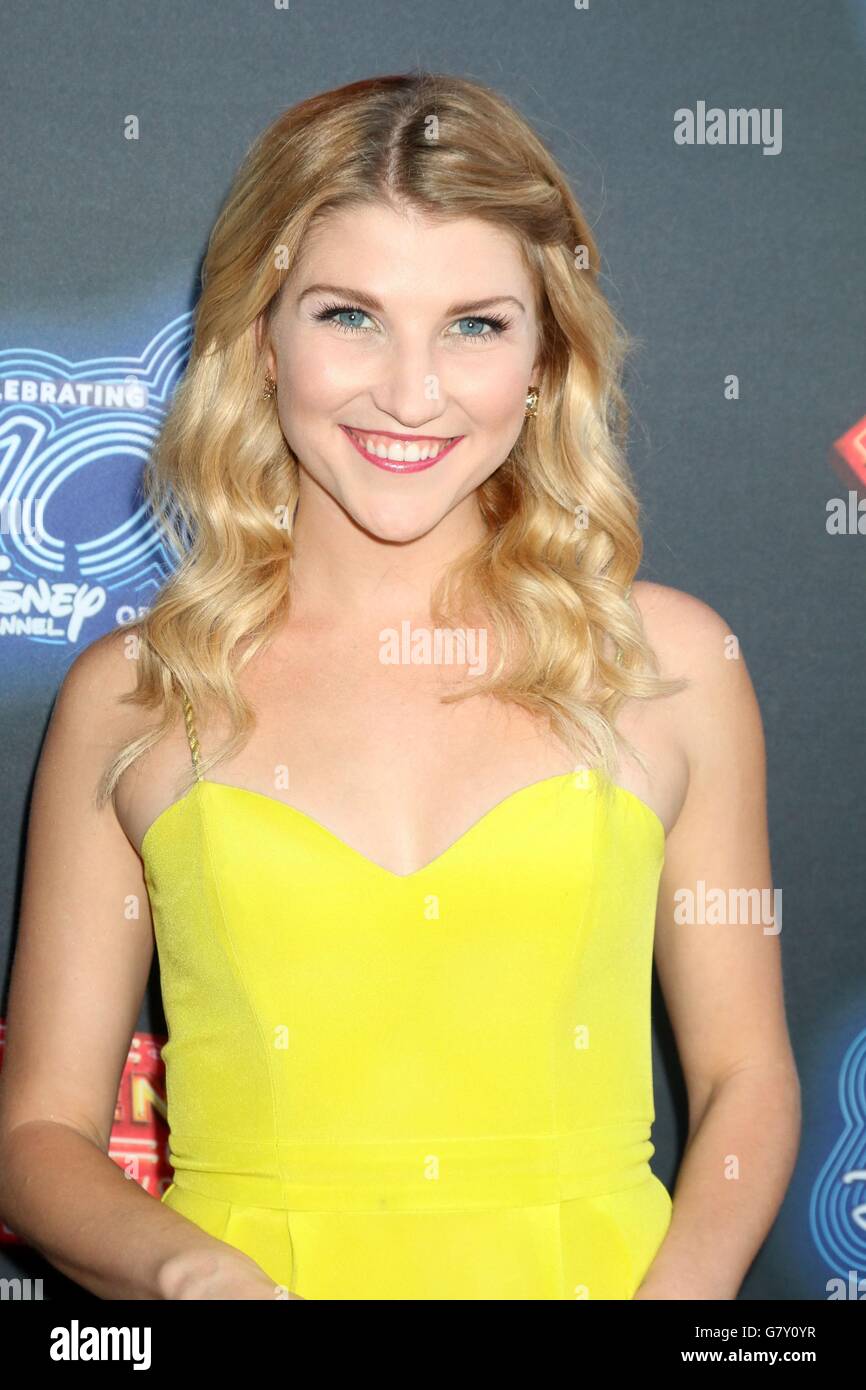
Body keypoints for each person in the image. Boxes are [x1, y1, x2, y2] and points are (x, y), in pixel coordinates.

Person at [0, 71, 800, 1301]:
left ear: (545, 357)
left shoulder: (668, 666)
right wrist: (183, 1272)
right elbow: (38, 1139)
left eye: (475, 324)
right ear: (258, 337)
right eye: (348, 316)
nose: (411, 393)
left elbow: (746, 1075)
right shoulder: (137, 693)